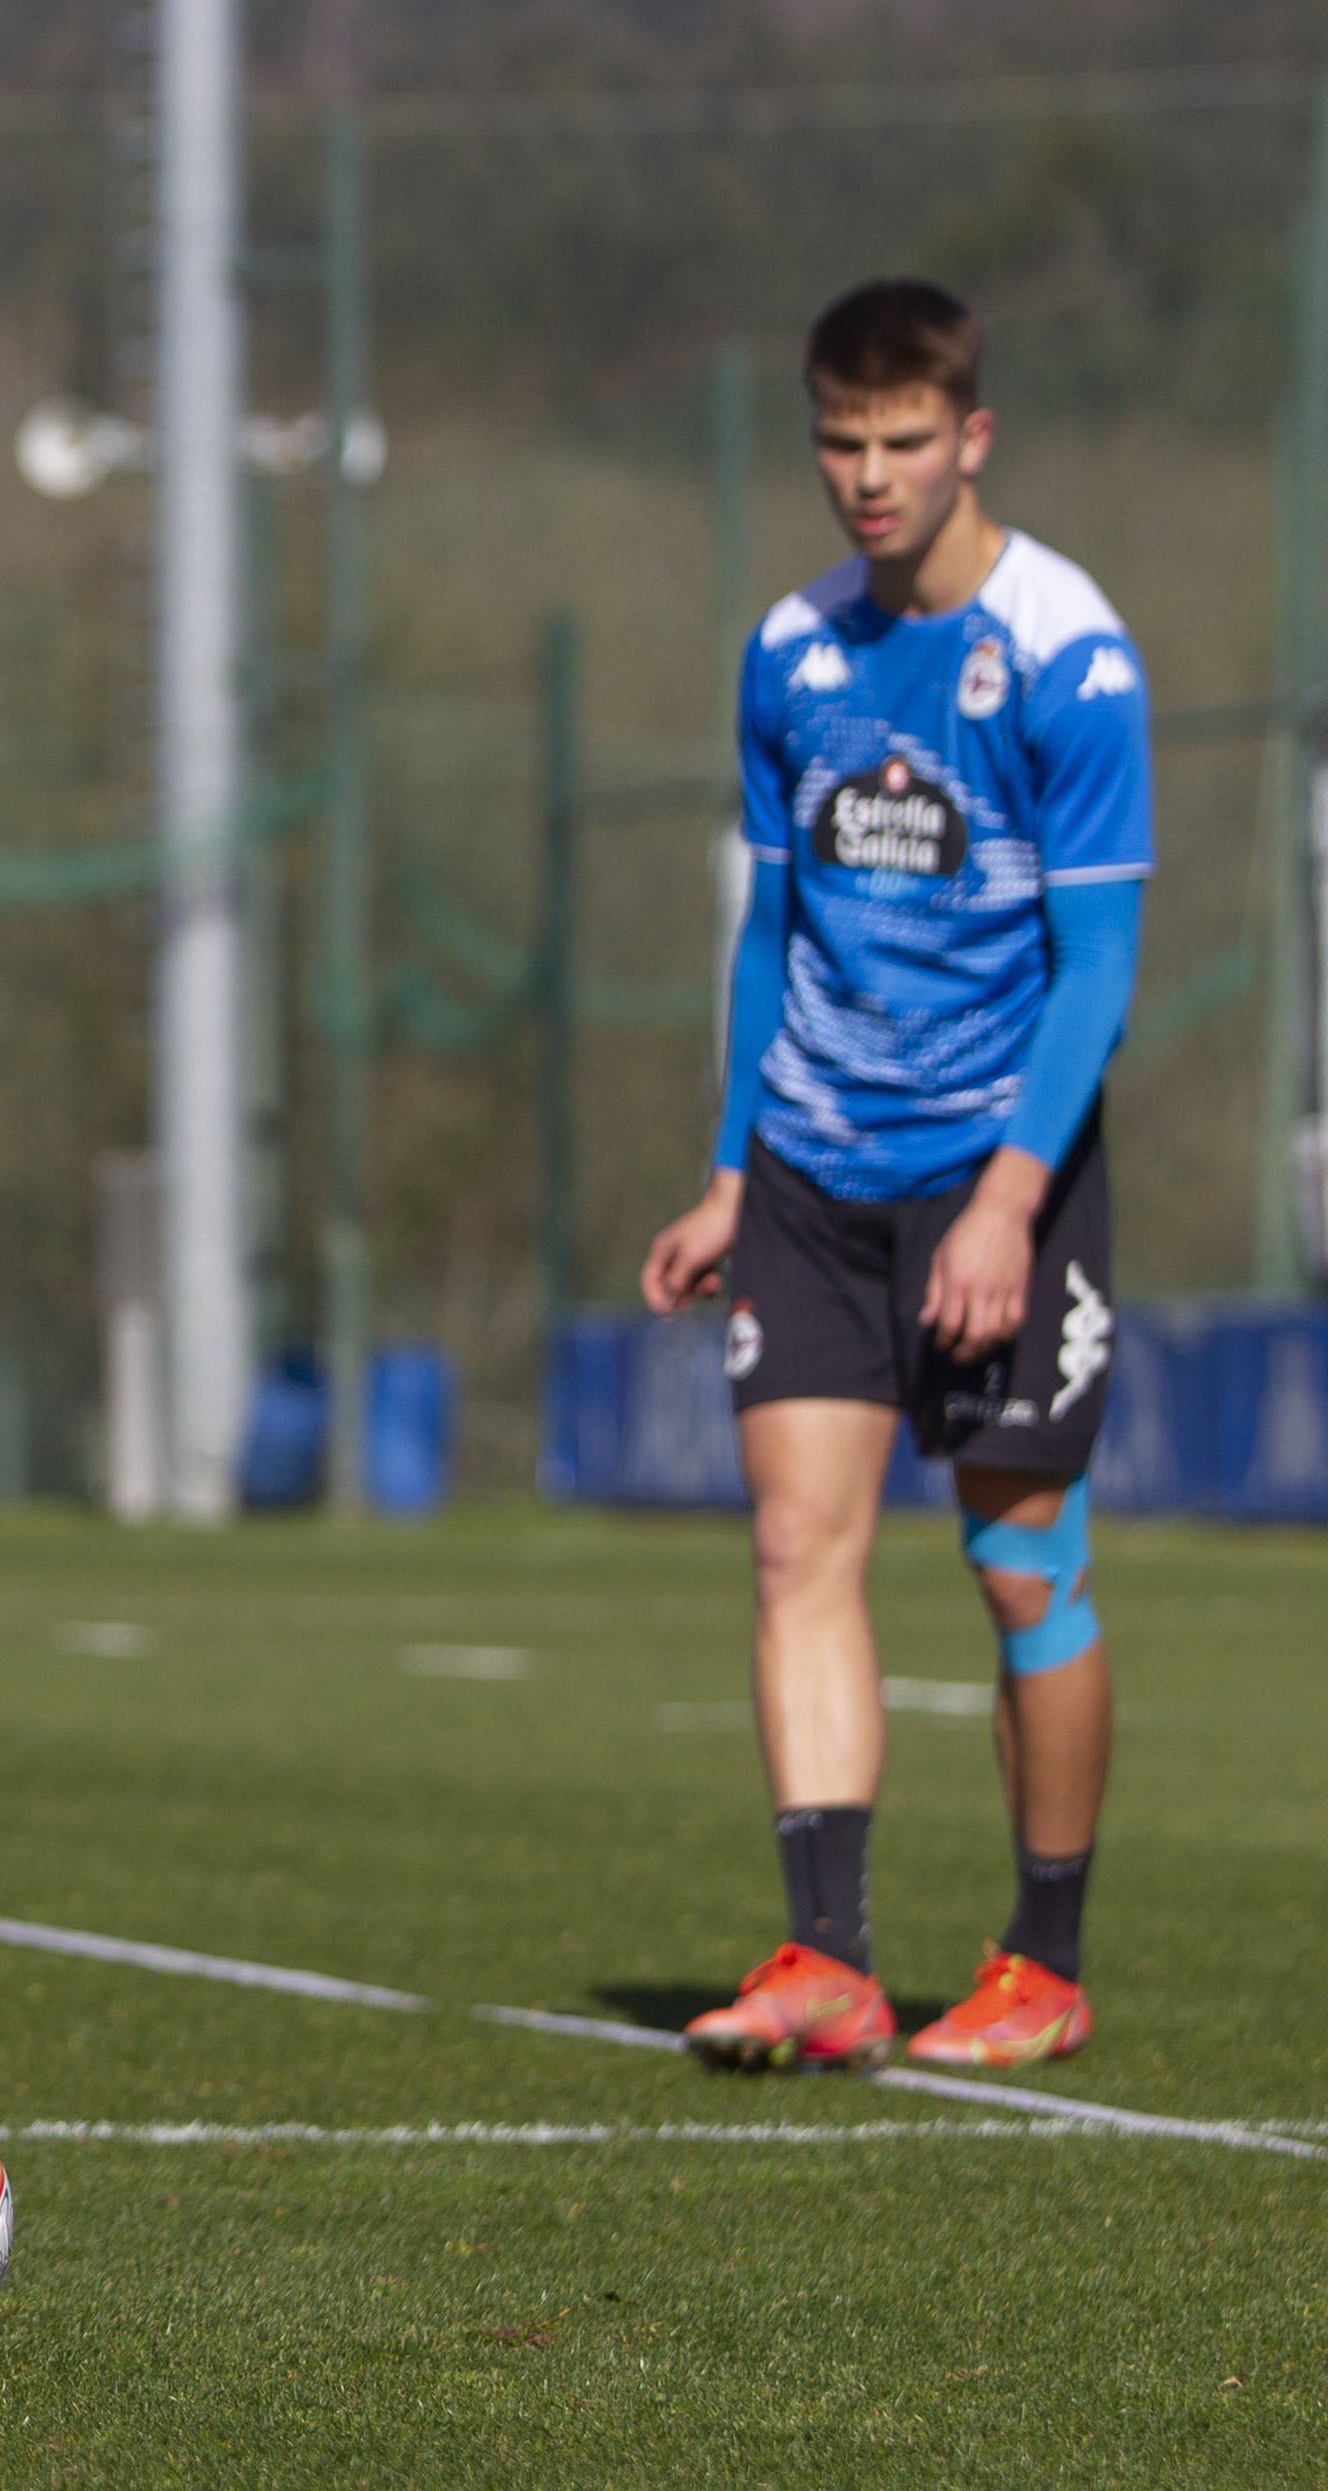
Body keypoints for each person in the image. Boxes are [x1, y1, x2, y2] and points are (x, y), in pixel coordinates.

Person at [639, 279, 1147, 2074]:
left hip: (1000, 1172)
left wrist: (1008, 1200)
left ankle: (1042, 1963)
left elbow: (1094, 966)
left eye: (902, 442)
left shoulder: (1067, 655)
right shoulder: (790, 649)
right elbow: (768, 924)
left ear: (969, 438)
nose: (867, 476)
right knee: (797, 1549)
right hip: (807, 1176)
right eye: (839, 444)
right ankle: (827, 1960)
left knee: (1026, 1573)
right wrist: (724, 1172)